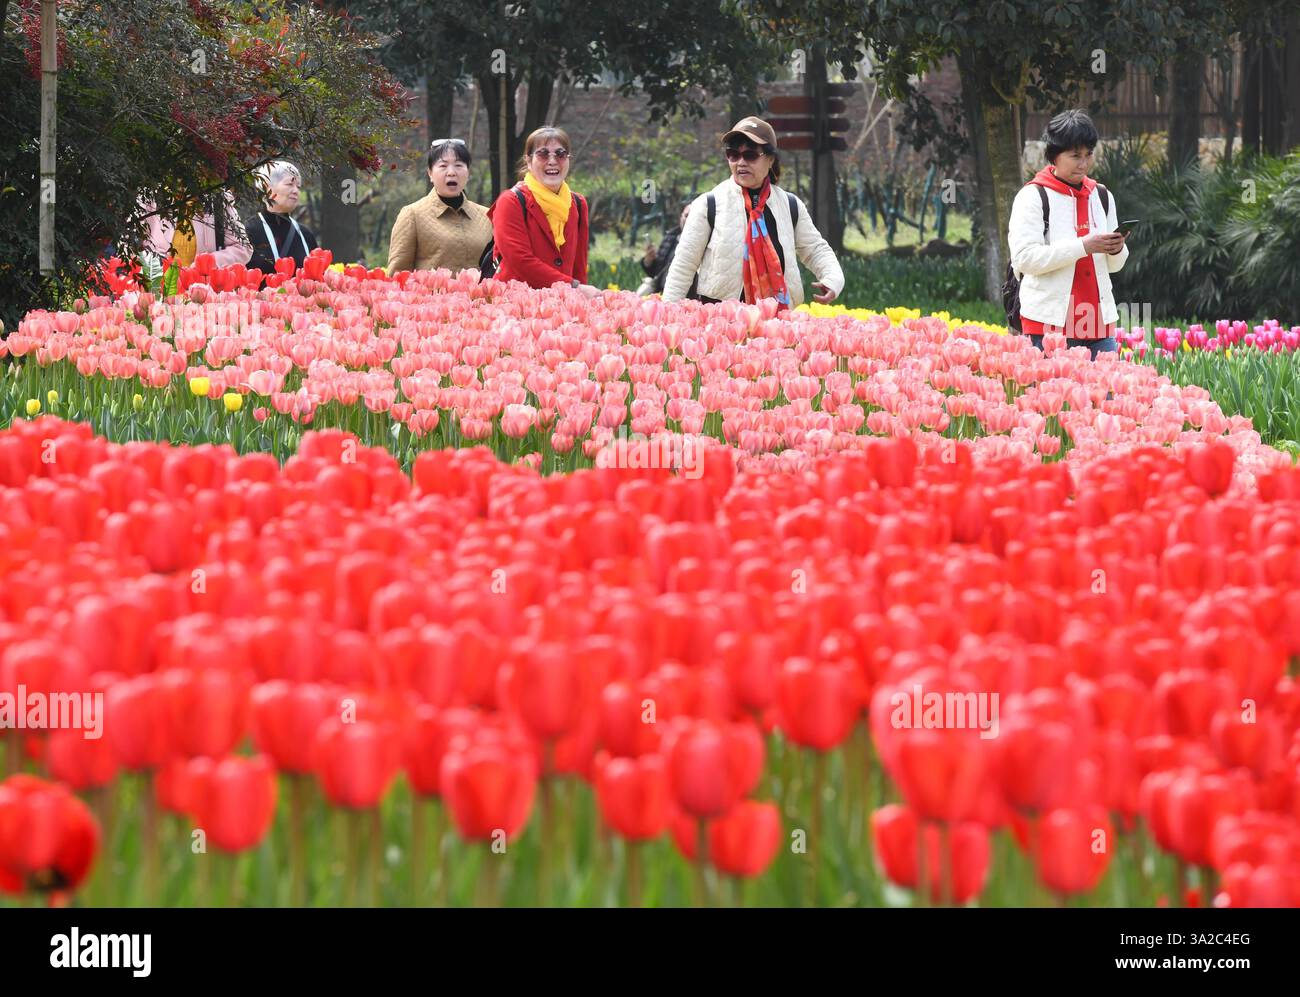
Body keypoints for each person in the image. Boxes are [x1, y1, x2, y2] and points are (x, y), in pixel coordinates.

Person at [662, 116, 843, 309]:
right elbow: (684, 265)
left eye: (750, 155)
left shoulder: (790, 206)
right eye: (733, 154)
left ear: (771, 159)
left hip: (777, 323)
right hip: (721, 324)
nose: (741, 162)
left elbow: (815, 249)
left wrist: (833, 279)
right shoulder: (709, 204)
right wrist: (668, 316)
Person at [1008, 109, 1128, 360]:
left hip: (1097, 322)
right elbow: (1024, 259)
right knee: (1049, 399)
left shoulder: (1102, 196)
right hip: (1047, 324)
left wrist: (1116, 249)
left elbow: (1114, 267)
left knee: (1105, 399)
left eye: (1088, 155)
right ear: (1054, 155)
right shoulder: (1033, 197)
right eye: (1075, 156)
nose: (1083, 163)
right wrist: (1083, 246)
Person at [487, 127, 600, 295]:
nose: (552, 161)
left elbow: (579, 264)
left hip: (560, 306)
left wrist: (578, 300)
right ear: (528, 160)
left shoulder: (577, 203)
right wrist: (574, 287)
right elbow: (520, 260)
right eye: (543, 154)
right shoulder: (511, 202)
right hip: (515, 304)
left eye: (560, 154)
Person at [388, 138, 493, 274]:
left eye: (459, 165)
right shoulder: (412, 215)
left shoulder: (487, 216)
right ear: (430, 173)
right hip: (429, 295)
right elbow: (398, 274)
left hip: (478, 296)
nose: (451, 172)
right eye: (443, 166)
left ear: (468, 172)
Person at [244, 160, 318, 275]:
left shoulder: (305, 235)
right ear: (266, 187)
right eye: (290, 184)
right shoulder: (249, 232)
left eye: (298, 186)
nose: (296, 191)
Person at [141, 192, 252, 269]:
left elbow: (243, 248)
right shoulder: (149, 199)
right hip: (160, 290)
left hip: (207, 291)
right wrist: (158, 267)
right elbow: (134, 250)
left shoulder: (218, 199)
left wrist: (208, 263)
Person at [637, 203, 690, 296]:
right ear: (681, 217)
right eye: (686, 215)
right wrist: (648, 260)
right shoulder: (670, 238)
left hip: (684, 296)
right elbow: (656, 272)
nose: (689, 219)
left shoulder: (705, 244)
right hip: (662, 293)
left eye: (693, 216)